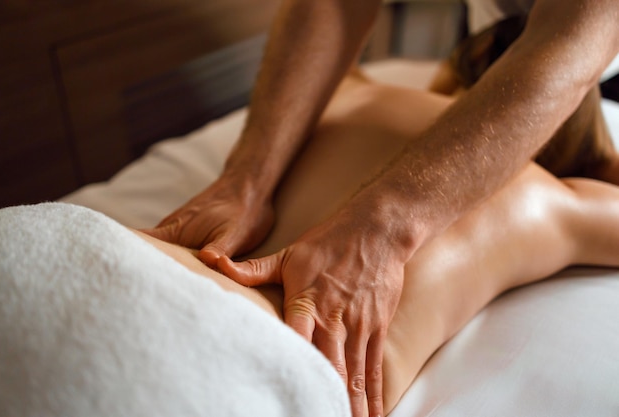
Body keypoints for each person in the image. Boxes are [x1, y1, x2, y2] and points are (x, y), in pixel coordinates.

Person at [146, 2, 619, 416]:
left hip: (158, 269)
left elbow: (329, 37)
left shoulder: (351, 99)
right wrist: (599, 162)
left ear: (453, 76)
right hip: (280, 361)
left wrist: (245, 178)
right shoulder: (552, 203)